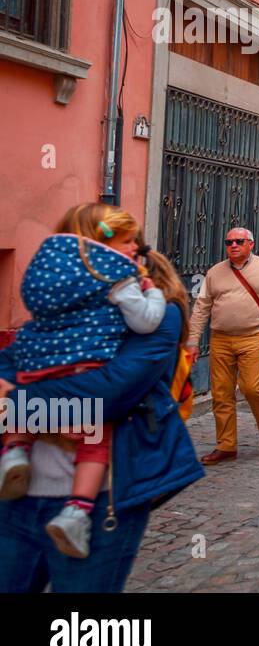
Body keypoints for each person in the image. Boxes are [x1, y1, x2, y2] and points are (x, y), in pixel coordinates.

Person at [0, 237, 203, 591]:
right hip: (19, 497)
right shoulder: (60, 321)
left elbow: (109, 394)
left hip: (103, 499)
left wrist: (15, 404)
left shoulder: (159, 317)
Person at [0, 203, 167, 558]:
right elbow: (102, 395)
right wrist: (150, 291)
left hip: (36, 373)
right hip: (26, 499)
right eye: (127, 242)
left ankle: (14, 451)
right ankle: (78, 508)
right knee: (95, 436)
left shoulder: (47, 290)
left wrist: (17, 403)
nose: (135, 249)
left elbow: (112, 391)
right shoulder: (119, 285)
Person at [186, 227, 259, 466]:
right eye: (229, 242)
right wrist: (192, 341)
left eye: (239, 241)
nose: (233, 245)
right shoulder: (215, 272)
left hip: (254, 337)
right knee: (221, 393)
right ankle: (226, 445)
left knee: (251, 387)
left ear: (251, 244)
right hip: (220, 338)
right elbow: (201, 308)